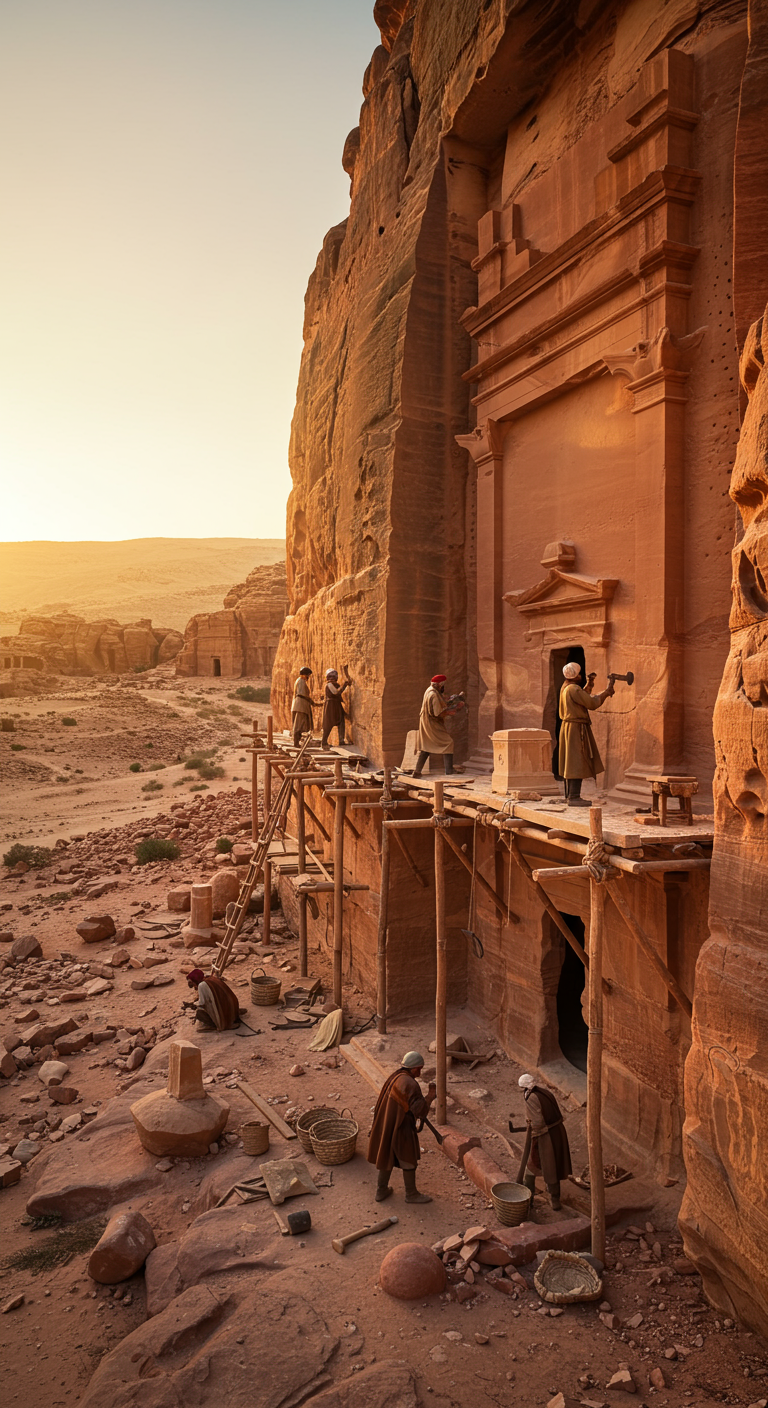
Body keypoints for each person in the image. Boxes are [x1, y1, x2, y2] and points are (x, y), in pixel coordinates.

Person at [367, 1050, 436, 1203]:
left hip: (387, 1123)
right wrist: (430, 1097)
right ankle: (411, 1194)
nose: (420, 1072)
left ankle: (381, 1190)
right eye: (419, 1069)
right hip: (401, 1126)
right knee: (408, 1157)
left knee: (387, 1154)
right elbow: (420, 1111)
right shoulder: (410, 1084)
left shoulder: (395, 1077)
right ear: (414, 1068)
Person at [558, 662, 615, 806]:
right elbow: (591, 703)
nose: (581, 675)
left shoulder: (566, 687)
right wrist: (607, 693)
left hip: (568, 727)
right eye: (579, 673)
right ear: (575, 675)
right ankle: (574, 797)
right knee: (576, 761)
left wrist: (590, 684)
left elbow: (581, 697)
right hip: (576, 728)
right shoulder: (574, 689)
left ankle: (570, 796)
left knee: (570, 761)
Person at [513, 1073, 572, 1211]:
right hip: (558, 1132)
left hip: (545, 1136)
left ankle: (528, 1199)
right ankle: (554, 1198)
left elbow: (538, 1122)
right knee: (553, 1165)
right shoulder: (546, 1092)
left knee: (535, 1166)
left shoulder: (531, 1098)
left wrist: (532, 1136)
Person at [411, 674, 466, 777]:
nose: (443, 687)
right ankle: (449, 770)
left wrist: (452, 701)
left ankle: (417, 771)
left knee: (426, 746)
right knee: (448, 742)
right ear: (440, 684)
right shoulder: (433, 695)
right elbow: (438, 713)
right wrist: (453, 710)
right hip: (432, 723)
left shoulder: (430, 690)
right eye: (443, 685)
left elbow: (442, 702)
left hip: (426, 721)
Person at [321, 667, 350, 748]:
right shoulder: (329, 685)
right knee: (328, 724)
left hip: (336, 705)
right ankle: (324, 742)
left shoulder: (335, 685)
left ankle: (341, 740)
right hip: (331, 706)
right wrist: (344, 685)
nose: (333, 679)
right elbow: (336, 692)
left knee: (341, 721)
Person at [291, 666, 318, 747]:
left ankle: (297, 742)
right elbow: (302, 694)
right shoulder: (301, 682)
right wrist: (311, 702)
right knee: (298, 725)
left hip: (298, 705)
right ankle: (296, 743)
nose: (308, 677)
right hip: (300, 706)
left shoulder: (298, 681)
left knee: (299, 725)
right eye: (308, 675)